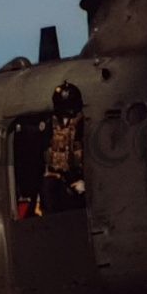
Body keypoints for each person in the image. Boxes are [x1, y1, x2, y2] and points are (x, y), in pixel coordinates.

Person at [41, 81, 87, 212]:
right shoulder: (50, 124)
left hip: (78, 179)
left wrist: (84, 182)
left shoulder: (82, 124)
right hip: (56, 178)